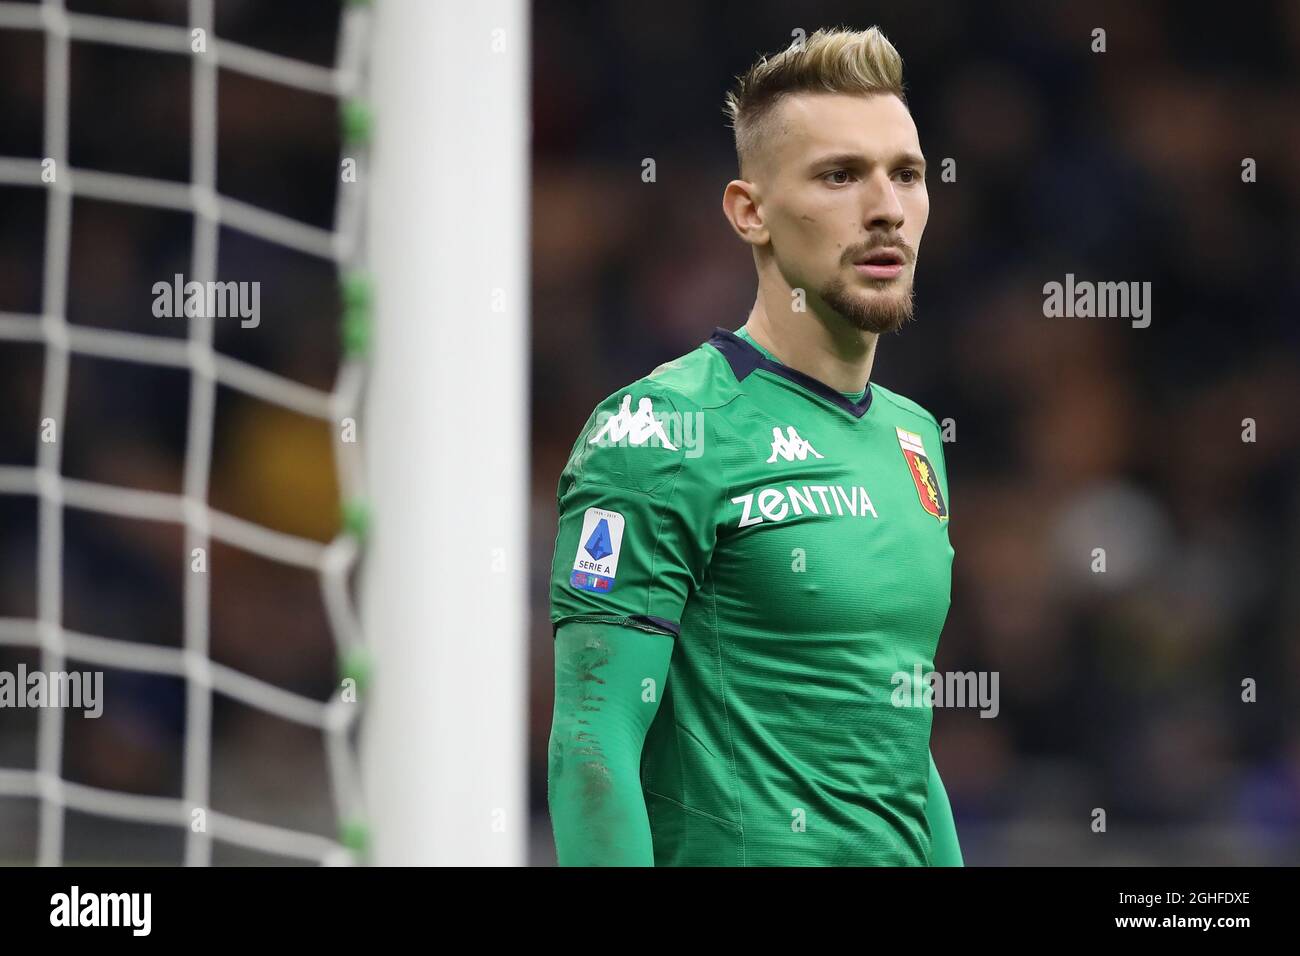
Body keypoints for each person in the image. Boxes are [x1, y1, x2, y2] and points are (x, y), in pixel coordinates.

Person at [547, 26, 962, 866]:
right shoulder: (662, 430)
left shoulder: (914, 436)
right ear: (750, 212)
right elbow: (591, 747)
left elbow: (899, 747)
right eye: (840, 175)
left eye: (906, 175)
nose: (885, 207)